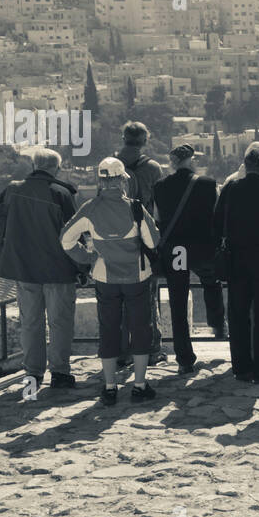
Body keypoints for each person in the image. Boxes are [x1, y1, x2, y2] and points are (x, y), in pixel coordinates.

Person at [60, 157, 161, 405]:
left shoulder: (90, 208)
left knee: (108, 329)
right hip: (137, 276)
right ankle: (139, 385)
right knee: (140, 329)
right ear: (122, 180)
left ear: (101, 181)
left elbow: (65, 240)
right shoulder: (135, 208)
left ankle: (109, 387)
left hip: (105, 276)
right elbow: (153, 242)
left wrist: (88, 257)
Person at [0, 147, 81, 390]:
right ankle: (60, 372)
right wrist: (82, 268)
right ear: (56, 168)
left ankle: (33, 375)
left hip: (24, 267)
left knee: (31, 322)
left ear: (35, 166)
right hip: (58, 269)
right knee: (60, 322)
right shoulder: (62, 193)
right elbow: (74, 236)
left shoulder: (14, 189)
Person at [154, 144, 224, 375]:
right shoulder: (207, 184)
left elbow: (157, 219)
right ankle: (217, 324)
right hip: (202, 246)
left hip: (176, 250)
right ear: (191, 160)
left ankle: (184, 357)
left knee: (178, 300)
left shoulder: (160, 187)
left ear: (171, 162)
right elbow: (216, 216)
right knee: (211, 281)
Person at [215, 143, 259, 383]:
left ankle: (241, 367)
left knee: (238, 314)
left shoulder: (231, 188)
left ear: (246, 165)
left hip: (236, 261)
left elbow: (216, 222)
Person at [117, 121, 165, 367]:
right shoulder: (153, 168)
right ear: (145, 140)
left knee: (117, 298)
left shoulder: (109, 166)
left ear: (123, 138)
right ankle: (151, 349)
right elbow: (161, 205)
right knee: (147, 296)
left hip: (114, 239)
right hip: (144, 239)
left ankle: (121, 352)